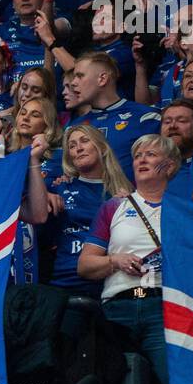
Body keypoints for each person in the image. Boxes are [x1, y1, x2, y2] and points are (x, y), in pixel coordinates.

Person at [78, 134, 183, 384]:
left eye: (151, 153)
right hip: (117, 309)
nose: (141, 158)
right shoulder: (113, 208)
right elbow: (85, 264)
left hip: (163, 310)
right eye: (138, 153)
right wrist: (115, 262)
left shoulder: (186, 207)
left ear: (168, 166)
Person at [45, 125, 132, 297]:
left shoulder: (124, 194)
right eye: (72, 145)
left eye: (85, 141)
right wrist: (44, 194)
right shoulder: (59, 188)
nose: (78, 148)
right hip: (65, 284)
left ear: (101, 147)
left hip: (112, 283)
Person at [68, 52, 161, 179]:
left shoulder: (145, 117)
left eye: (80, 76)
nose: (73, 83)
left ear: (102, 79)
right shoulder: (73, 128)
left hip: (131, 197)